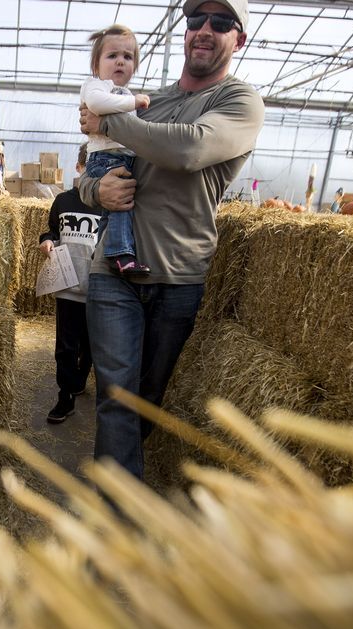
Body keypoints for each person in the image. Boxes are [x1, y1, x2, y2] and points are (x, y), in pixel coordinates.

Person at [78, 0, 264, 481]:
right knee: (117, 397)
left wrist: (108, 121)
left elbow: (189, 148)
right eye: (196, 20)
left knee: (146, 399)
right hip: (114, 273)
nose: (205, 29)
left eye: (221, 23)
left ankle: (117, 473)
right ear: (185, 31)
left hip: (179, 275)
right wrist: (94, 190)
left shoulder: (239, 102)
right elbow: (90, 165)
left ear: (237, 39)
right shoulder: (145, 99)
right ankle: (114, 516)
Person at [80, 25, 152, 277]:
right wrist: (135, 102)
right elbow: (97, 104)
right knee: (122, 203)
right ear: (96, 65)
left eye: (127, 57)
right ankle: (122, 254)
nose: (120, 61)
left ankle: (101, 249)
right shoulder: (97, 86)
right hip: (106, 157)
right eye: (112, 56)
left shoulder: (124, 92)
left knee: (111, 210)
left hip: (119, 156)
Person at [39, 142, 102, 423]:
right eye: (90, 165)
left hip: (100, 289)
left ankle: (79, 380)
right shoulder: (63, 201)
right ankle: (65, 397)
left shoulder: (109, 206)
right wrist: (47, 241)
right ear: (79, 167)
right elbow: (52, 230)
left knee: (91, 343)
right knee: (65, 345)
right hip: (68, 285)